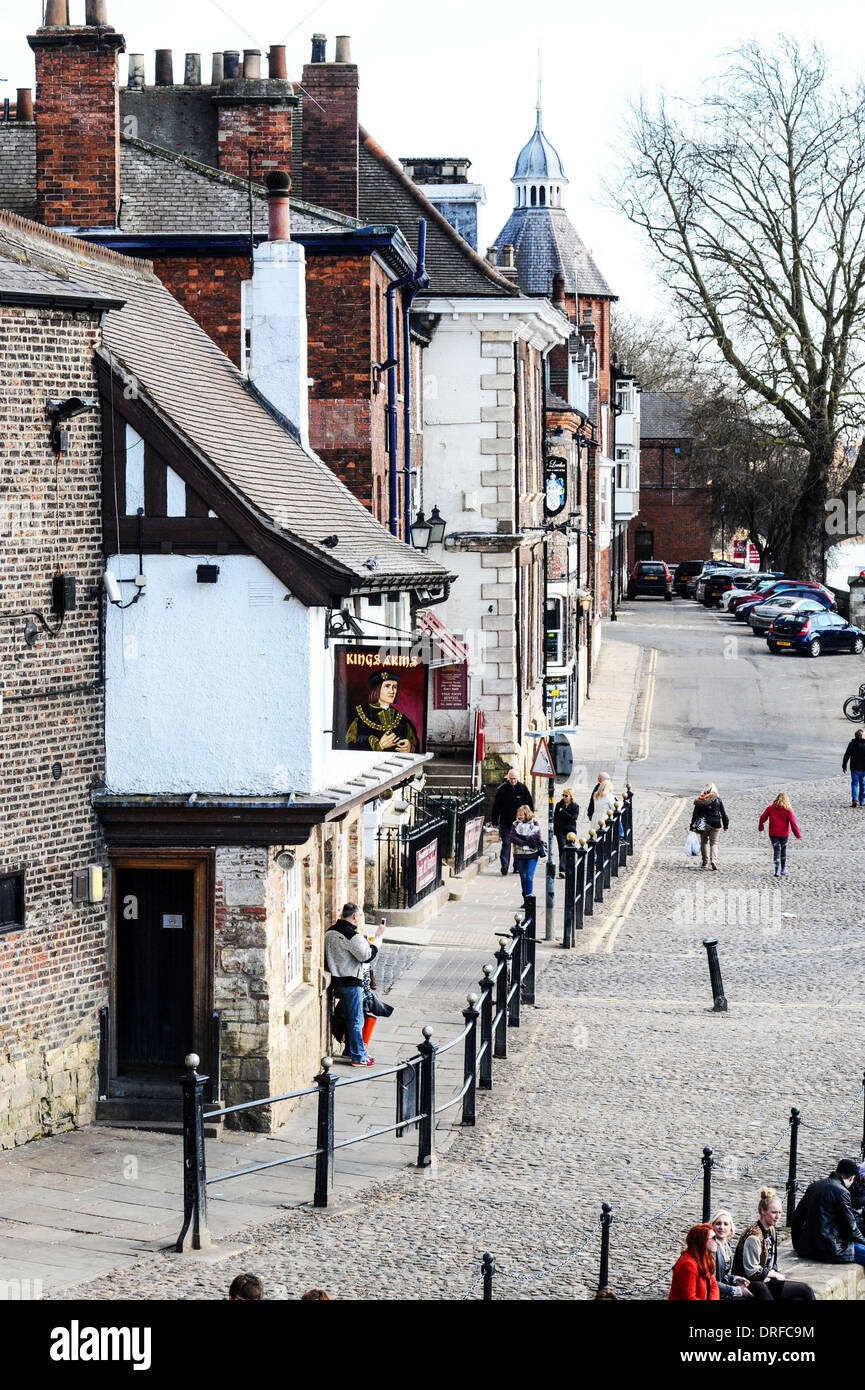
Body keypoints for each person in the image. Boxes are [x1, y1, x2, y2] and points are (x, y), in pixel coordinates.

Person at [324, 903, 383, 1067]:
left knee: (350, 1018)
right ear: (355, 916)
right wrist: (376, 943)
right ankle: (358, 1056)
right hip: (351, 981)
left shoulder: (329, 932)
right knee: (356, 1020)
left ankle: (352, 1050)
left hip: (337, 981)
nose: (361, 919)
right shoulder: (352, 935)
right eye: (361, 916)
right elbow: (366, 956)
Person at [731, 1188, 815, 1299]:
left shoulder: (771, 1230)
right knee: (805, 1290)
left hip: (766, 1279)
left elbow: (772, 1261)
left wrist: (775, 1271)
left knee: (803, 1292)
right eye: (774, 1212)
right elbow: (752, 1271)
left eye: (780, 1213)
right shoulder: (754, 1236)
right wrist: (774, 1275)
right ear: (763, 1211)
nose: (778, 1216)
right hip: (749, 1282)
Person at [791, 1159, 865, 1269]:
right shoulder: (842, 1192)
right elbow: (852, 1228)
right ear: (852, 1178)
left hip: (807, 1248)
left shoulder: (814, 1186)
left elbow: (797, 1217)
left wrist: (798, 1245)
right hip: (831, 1250)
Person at [345, 670, 419, 752]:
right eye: (387, 686)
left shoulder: (402, 719)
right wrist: (379, 745)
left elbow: (416, 746)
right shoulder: (357, 714)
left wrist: (410, 748)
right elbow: (347, 743)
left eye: (394, 687)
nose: (392, 691)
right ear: (377, 688)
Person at [712, 1210, 771, 1300]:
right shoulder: (712, 1249)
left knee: (760, 1287)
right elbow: (712, 1281)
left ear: (731, 1228)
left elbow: (724, 1276)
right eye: (718, 1223)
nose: (722, 1227)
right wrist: (735, 1289)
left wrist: (735, 1279)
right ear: (712, 1226)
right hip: (717, 1293)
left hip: (725, 1288)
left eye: (726, 1224)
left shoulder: (726, 1246)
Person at [491, 767, 534, 876]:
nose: (513, 781)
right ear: (508, 778)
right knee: (506, 843)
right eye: (511, 779)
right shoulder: (502, 790)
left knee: (517, 845)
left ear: (518, 778)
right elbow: (496, 806)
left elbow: (529, 805)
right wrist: (494, 820)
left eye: (514, 778)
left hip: (520, 823)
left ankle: (517, 866)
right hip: (506, 822)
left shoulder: (523, 789)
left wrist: (529, 818)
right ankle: (504, 865)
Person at [668, 1224, 720, 1300]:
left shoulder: (705, 1258)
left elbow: (714, 1285)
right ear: (702, 1241)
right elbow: (689, 1297)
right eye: (713, 1238)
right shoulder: (688, 1265)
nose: (716, 1241)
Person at [758, 792, 801, 878]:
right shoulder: (788, 810)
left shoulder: (770, 808)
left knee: (776, 850)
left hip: (773, 834)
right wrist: (797, 834)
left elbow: (762, 818)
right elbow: (793, 823)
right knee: (783, 850)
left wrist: (761, 826)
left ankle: (777, 870)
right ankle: (783, 869)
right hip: (784, 835)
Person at [689, 782, 729, 871]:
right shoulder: (718, 800)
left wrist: (692, 825)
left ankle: (704, 862)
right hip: (716, 824)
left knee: (704, 842)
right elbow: (724, 814)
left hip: (704, 824)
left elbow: (695, 814)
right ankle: (713, 860)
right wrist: (726, 825)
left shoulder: (701, 800)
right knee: (714, 843)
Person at [510, 804, 544, 900]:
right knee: (523, 877)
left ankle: (529, 897)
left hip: (532, 854)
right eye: (518, 815)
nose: (519, 817)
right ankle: (526, 898)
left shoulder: (534, 823)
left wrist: (522, 837)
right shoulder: (515, 824)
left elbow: (537, 837)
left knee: (529, 877)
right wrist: (526, 841)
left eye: (521, 815)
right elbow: (512, 837)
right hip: (519, 855)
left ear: (526, 814)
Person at [553, 787, 580, 877]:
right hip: (560, 830)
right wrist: (555, 829)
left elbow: (573, 818)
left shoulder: (575, 806)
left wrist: (563, 812)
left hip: (570, 832)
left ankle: (566, 868)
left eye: (566, 795)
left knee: (568, 850)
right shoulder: (558, 805)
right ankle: (563, 869)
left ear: (571, 797)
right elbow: (555, 817)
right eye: (563, 795)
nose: (564, 797)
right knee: (562, 848)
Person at [842, 728, 865, 807]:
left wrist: (844, 765)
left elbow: (847, 755)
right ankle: (862, 801)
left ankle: (854, 799)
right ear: (861, 736)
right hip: (864, 769)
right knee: (863, 785)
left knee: (854, 784)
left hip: (854, 768)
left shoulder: (852, 744)